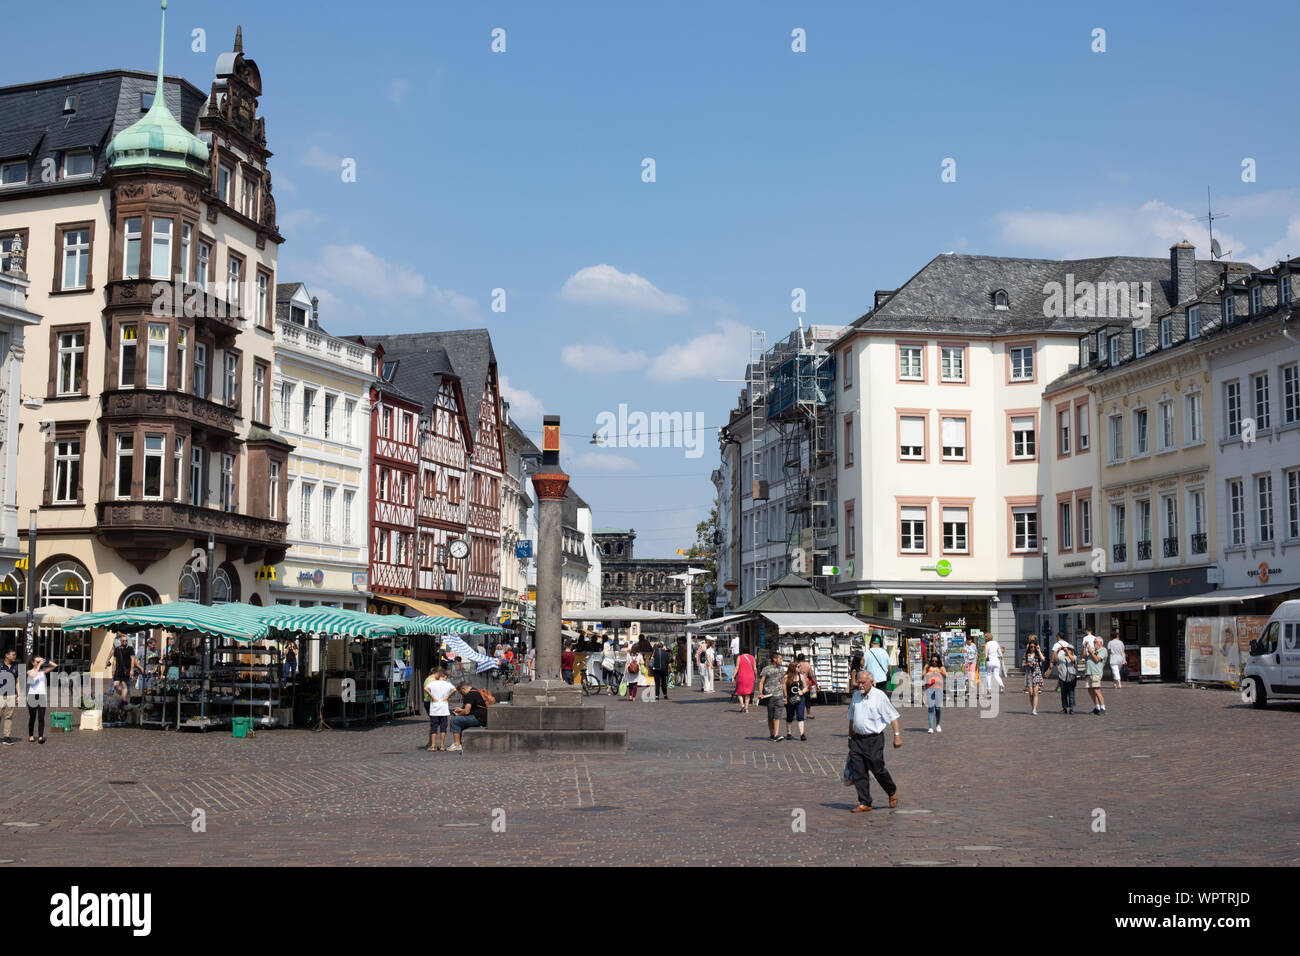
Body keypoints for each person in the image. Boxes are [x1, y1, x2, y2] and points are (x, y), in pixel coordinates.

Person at [845, 669, 901, 813]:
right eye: (859, 682)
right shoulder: (856, 696)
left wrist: (897, 735)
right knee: (859, 771)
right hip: (858, 739)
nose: (860, 685)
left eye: (863, 682)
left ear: (871, 682)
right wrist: (850, 737)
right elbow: (852, 718)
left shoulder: (879, 696)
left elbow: (892, 716)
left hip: (874, 739)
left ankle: (891, 790)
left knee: (877, 769)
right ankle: (865, 802)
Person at [447, 681, 489, 751]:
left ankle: (457, 744)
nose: (462, 695)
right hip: (482, 717)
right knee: (459, 720)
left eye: (461, 692)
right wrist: (460, 710)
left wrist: (458, 714)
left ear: (463, 689)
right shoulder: (475, 691)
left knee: (454, 720)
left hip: (478, 719)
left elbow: (466, 711)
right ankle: (460, 742)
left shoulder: (470, 695)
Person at [424, 667, 456, 751]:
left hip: (434, 708)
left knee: (434, 727)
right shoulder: (447, 684)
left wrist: (432, 697)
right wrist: (447, 697)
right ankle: (442, 745)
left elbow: (425, 688)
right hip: (444, 708)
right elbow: (454, 689)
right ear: (444, 676)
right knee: (443, 727)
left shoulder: (433, 683)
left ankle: (433, 745)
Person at [756, 652, 787, 741]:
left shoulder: (781, 670)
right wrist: (761, 693)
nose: (781, 661)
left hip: (779, 695)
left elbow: (783, 683)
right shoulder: (766, 669)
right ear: (775, 659)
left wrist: (785, 696)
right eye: (780, 659)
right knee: (770, 716)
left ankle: (776, 735)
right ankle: (772, 734)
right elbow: (761, 682)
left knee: (778, 716)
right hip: (769, 696)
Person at [26, 655, 56, 744]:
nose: (39, 663)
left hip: (42, 696)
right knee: (32, 717)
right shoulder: (29, 671)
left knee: (41, 717)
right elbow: (34, 677)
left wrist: (45, 660)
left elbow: (54, 665)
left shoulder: (42, 672)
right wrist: (38, 665)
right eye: (37, 662)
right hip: (32, 696)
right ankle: (31, 735)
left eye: (39, 662)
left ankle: (40, 736)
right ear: (32, 663)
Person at [783, 662, 808, 741]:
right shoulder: (786, 677)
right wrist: (785, 697)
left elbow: (805, 687)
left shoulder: (801, 676)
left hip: (800, 698)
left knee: (800, 715)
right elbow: (784, 688)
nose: (799, 668)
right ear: (793, 668)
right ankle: (789, 733)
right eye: (798, 667)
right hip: (790, 698)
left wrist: (802, 692)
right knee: (789, 716)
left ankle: (802, 734)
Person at [922, 653, 946, 733]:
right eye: (932, 661)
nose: (934, 662)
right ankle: (931, 727)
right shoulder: (927, 666)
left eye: (936, 661)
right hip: (930, 688)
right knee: (931, 708)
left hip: (938, 688)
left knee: (938, 708)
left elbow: (946, 675)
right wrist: (928, 673)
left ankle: (938, 724)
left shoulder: (941, 667)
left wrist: (939, 671)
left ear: (938, 661)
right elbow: (922, 675)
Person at [1023, 636, 1047, 716]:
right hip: (1029, 674)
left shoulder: (1037, 654)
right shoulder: (1027, 655)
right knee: (1031, 693)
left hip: (1037, 673)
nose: (1032, 648)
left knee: (1036, 692)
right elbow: (1022, 664)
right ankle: (1032, 707)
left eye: (1033, 647)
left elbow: (1043, 659)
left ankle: (1034, 709)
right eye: (1031, 647)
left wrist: (1039, 650)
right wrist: (1027, 664)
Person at [1083, 638, 1107, 715]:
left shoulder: (1103, 650)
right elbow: (1084, 657)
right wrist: (1084, 647)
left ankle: (1103, 707)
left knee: (1097, 690)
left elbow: (1097, 659)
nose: (1094, 643)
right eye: (1093, 642)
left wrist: (1091, 651)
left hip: (1096, 673)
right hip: (1089, 672)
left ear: (1100, 643)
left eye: (1095, 642)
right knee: (1090, 690)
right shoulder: (1094, 651)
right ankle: (1097, 707)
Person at [111, 634, 136, 704]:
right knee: (115, 685)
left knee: (124, 685)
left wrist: (132, 669)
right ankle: (123, 696)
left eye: (126, 641)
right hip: (118, 670)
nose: (125, 642)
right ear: (120, 641)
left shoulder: (130, 649)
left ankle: (123, 700)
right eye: (123, 641)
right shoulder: (117, 649)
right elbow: (114, 660)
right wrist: (113, 669)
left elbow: (132, 659)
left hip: (126, 670)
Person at [1054, 642, 1078, 714]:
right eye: (1067, 649)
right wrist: (1057, 651)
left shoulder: (1074, 656)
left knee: (1071, 693)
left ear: (1072, 650)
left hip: (1071, 678)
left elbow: (1073, 660)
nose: (1068, 650)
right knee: (1063, 694)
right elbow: (1055, 659)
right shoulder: (1061, 656)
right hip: (1062, 677)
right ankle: (1064, 708)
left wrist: (1068, 652)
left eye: (1070, 649)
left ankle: (1071, 708)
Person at [1, 649, 18, 745]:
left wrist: (18, 695)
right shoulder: (0, 666)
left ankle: (6, 737)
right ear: (7, 655)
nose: (14, 656)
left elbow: (17, 681)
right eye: (13, 655)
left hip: (11, 694)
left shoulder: (15, 667)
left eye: (15, 655)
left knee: (9, 716)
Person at [733, 646, 756, 713]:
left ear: (742, 651)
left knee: (739, 692)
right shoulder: (752, 657)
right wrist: (756, 676)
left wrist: (733, 676)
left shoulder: (739, 657)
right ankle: (746, 709)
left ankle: (742, 705)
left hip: (742, 676)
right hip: (750, 677)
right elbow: (755, 668)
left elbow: (737, 668)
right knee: (748, 693)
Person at [794, 652, 816, 719]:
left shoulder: (795, 665)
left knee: (795, 699)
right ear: (804, 659)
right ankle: (808, 713)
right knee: (807, 700)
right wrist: (816, 684)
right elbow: (811, 676)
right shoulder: (807, 666)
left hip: (796, 683)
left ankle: (794, 714)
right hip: (805, 684)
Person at [962, 635, 979, 701]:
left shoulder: (974, 645)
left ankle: (971, 683)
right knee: (967, 672)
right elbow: (963, 653)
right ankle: (967, 681)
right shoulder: (965, 646)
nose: (969, 641)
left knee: (972, 672)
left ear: (971, 640)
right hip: (966, 661)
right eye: (968, 640)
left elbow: (976, 652)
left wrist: (976, 658)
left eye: (970, 640)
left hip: (973, 660)